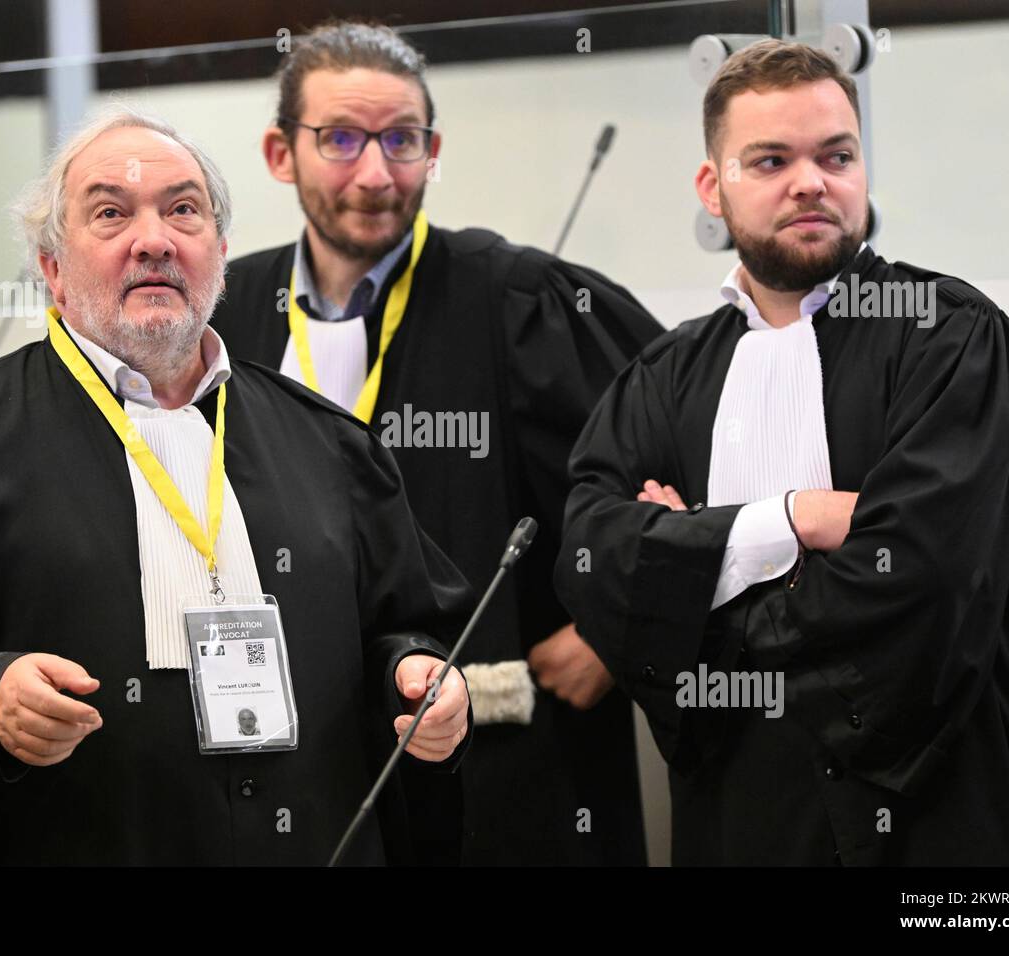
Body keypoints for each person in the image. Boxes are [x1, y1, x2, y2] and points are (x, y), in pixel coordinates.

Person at [0, 105, 474, 866]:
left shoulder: (330, 444)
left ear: (219, 249)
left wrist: (413, 679)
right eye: (111, 213)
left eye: (183, 210)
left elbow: (402, 627)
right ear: (51, 268)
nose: (155, 239)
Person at [555, 39, 1009, 865]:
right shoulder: (662, 376)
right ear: (711, 188)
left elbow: (926, 576)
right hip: (734, 817)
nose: (811, 182)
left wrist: (696, 572)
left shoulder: (953, 335)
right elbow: (593, 561)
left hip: (935, 822)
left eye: (836, 155)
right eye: (769, 160)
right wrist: (790, 521)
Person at [212, 20, 662, 865]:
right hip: (293, 758)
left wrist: (616, 629)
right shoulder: (226, 314)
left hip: (511, 771)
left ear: (432, 149)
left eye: (402, 140)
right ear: (281, 153)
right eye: (341, 140)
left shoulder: (517, 300)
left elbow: (669, 468)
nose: (376, 173)